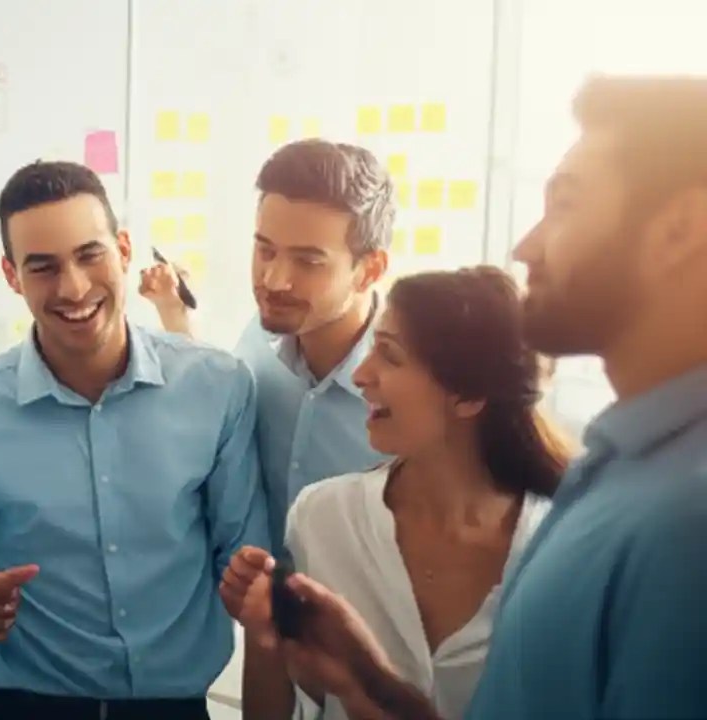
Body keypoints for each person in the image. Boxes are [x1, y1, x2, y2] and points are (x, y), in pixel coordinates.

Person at [250, 75, 707, 719]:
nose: (527, 247)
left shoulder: (684, 516)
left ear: (680, 229)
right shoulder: (611, 473)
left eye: (568, 205)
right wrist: (369, 684)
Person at [0, 160, 269, 720]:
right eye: (43, 267)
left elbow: (245, 562)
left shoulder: (218, 387)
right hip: (24, 708)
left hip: (174, 709)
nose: (73, 287)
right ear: (12, 276)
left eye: (90, 255)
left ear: (125, 250)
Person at [220, 267, 572, 720]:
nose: (362, 374)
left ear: (468, 397)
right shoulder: (321, 517)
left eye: (389, 355)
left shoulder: (559, 545)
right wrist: (264, 637)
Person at [140, 139, 394, 541]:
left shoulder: (414, 389)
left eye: (308, 262)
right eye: (265, 250)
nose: (274, 281)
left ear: (369, 269)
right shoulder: (260, 337)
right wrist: (174, 312)